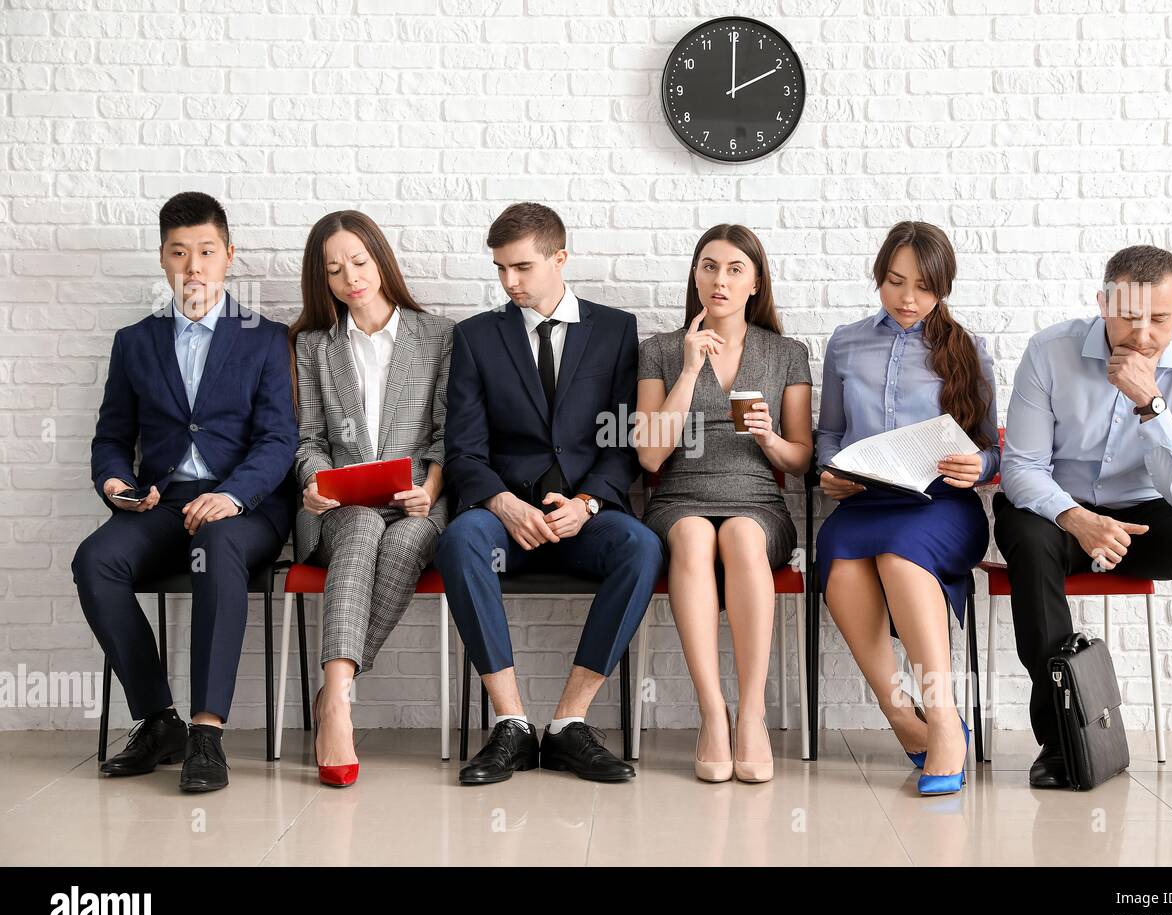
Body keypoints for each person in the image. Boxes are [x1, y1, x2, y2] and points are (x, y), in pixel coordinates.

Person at [995, 244, 1172, 797]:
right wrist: (1077, 519)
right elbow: (1022, 468)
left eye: (1159, 319)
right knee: (1028, 540)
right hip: (1057, 509)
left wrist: (1153, 408)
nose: (1143, 335)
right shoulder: (1049, 352)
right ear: (1103, 304)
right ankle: (1062, 741)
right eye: (1128, 316)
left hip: (1148, 515)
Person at [71, 192, 297, 792]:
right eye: (179, 253)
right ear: (163, 260)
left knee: (219, 542)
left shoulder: (266, 338)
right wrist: (116, 483)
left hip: (244, 507)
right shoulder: (135, 341)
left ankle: (207, 732)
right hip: (164, 502)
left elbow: (279, 440)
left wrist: (235, 495)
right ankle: (158, 718)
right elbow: (112, 437)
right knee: (95, 559)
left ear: (228, 256)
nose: (193, 266)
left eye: (205, 252)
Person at [438, 202, 663, 785]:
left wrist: (588, 504)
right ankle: (510, 723)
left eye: (521, 267)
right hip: (504, 519)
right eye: (499, 269)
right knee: (461, 540)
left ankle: (568, 723)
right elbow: (463, 449)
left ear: (560, 259)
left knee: (641, 548)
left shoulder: (616, 331)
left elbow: (622, 441)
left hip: (584, 518)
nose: (509, 282)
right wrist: (503, 504)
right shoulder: (475, 338)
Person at [816, 221, 998, 796]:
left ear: (943, 288)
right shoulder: (845, 342)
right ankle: (900, 714)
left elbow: (994, 447)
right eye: (895, 282)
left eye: (924, 287)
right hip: (867, 500)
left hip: (941, 504)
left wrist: (982, 466)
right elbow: (829, 434)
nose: (908, 299)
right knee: (841, 568)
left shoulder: (968, 349)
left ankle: (942, 720)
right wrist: (830, 472)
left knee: (900, 560)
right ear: (879, 276)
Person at [635, 224, 812, 783]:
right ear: (695, 275)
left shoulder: (786, 353)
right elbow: (648, 456)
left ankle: (751, 716)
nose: (720, 279)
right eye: (709, 266)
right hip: (680, 496)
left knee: (739, 534)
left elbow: (801, 459)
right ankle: (713, 715)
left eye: (736, 269)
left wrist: (767, 438)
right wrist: (688, 370)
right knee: (691, 533)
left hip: (758, 501)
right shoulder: (661, 349)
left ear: (756, 282)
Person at [290, 210, 455, 787]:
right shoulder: (312, 345)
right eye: (334, 270)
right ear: (323, 280)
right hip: (338, 510)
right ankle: (338, 702)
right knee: (361, 527)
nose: (350, 277)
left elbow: (444, 436)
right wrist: (315, 485)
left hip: (415, 502)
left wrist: (429, 489)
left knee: (409, 537)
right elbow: (309, 440)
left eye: (359, 262)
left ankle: (332, 693)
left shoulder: (437, 336)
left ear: (381, 260)